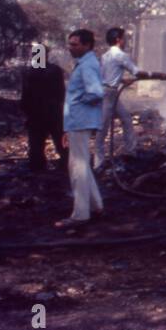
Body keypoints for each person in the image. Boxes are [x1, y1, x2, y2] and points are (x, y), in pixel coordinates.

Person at [96, 27, 166, 168]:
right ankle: (98, 164)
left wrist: (122, 80)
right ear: (118, 40)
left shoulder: (106, 55)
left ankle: (130, 151)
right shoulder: (121, 55)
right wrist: (159, 75)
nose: (126, 41)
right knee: (102, 128)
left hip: (110, 92)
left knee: (126, 119)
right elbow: (138, 73)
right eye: (125, 38)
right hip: (107, 94)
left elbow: (107, 74)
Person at [58, 29, 104, 229]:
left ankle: (80, 215)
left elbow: (96, 93)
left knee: (77, 167)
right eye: (70, 44)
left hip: (80, 120)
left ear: (87, 45)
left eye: (75, 44)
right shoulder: (85, 63)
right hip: (78, 121)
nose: (71, 48)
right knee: (82, 164)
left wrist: (77, 102)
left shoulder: (87, 65)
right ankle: (95, 206)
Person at [21, 45, 68, 174]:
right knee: (60, 142)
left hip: (36, 113)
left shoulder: (29, 72)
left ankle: (38, 169)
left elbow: (25, 96)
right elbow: (61, 93)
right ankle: (66, 165)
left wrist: (26, 112)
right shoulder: (55, 70)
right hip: (53, 112)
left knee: (36, 143)